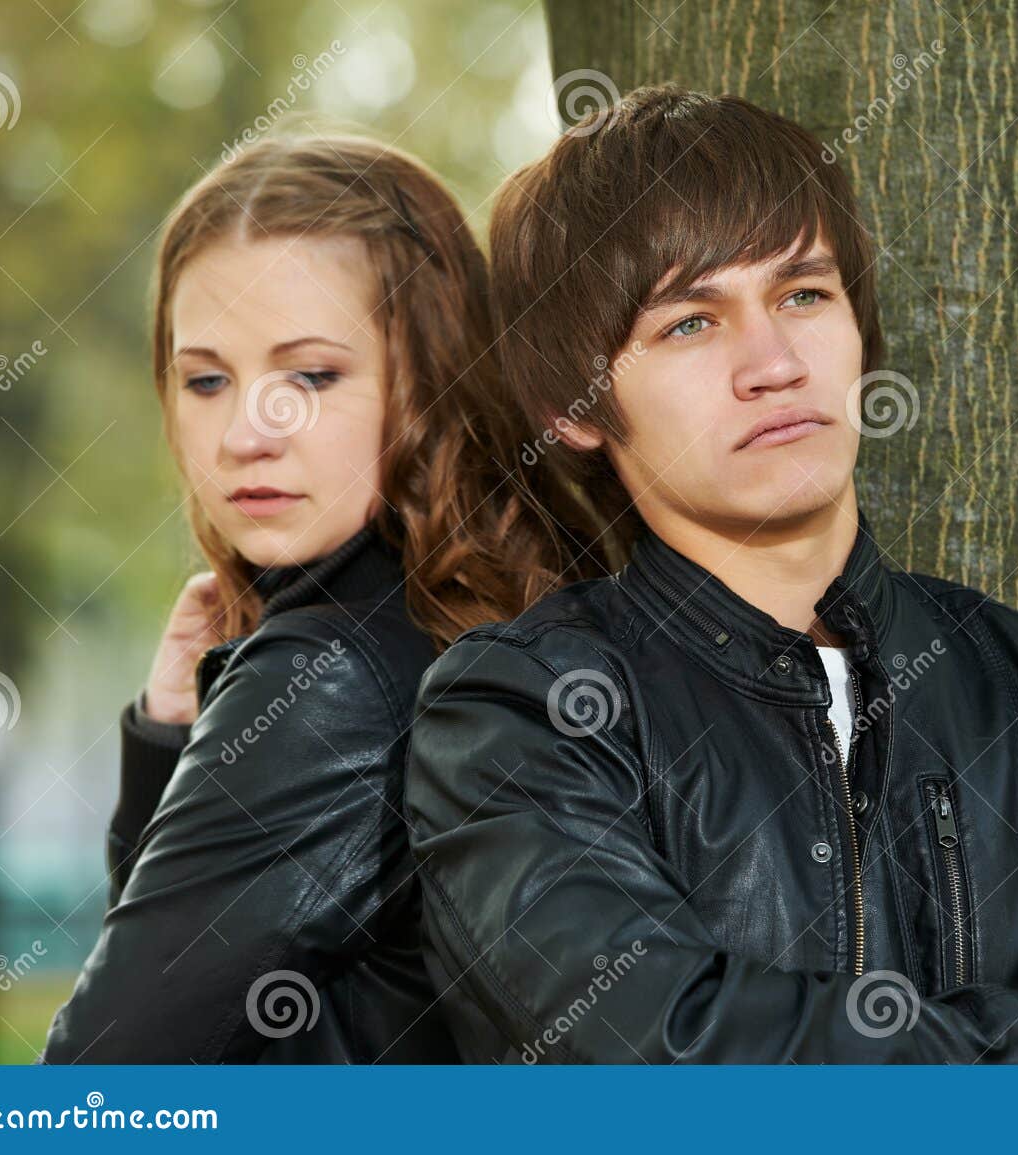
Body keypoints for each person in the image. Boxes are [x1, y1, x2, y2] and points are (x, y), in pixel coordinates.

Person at [405, 86, 1018, 1064]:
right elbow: (665, 1058)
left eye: (803, 295)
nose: (774, 363)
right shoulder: (517, 712)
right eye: (690, 323)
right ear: (570, 410)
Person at [42, 132, 606, 1063]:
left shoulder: (326, 679)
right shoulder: (537, 606)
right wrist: (172, 742)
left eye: (310, 374)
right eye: (206, 379)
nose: (246, 433)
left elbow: (97, 1091)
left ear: (430, 378)